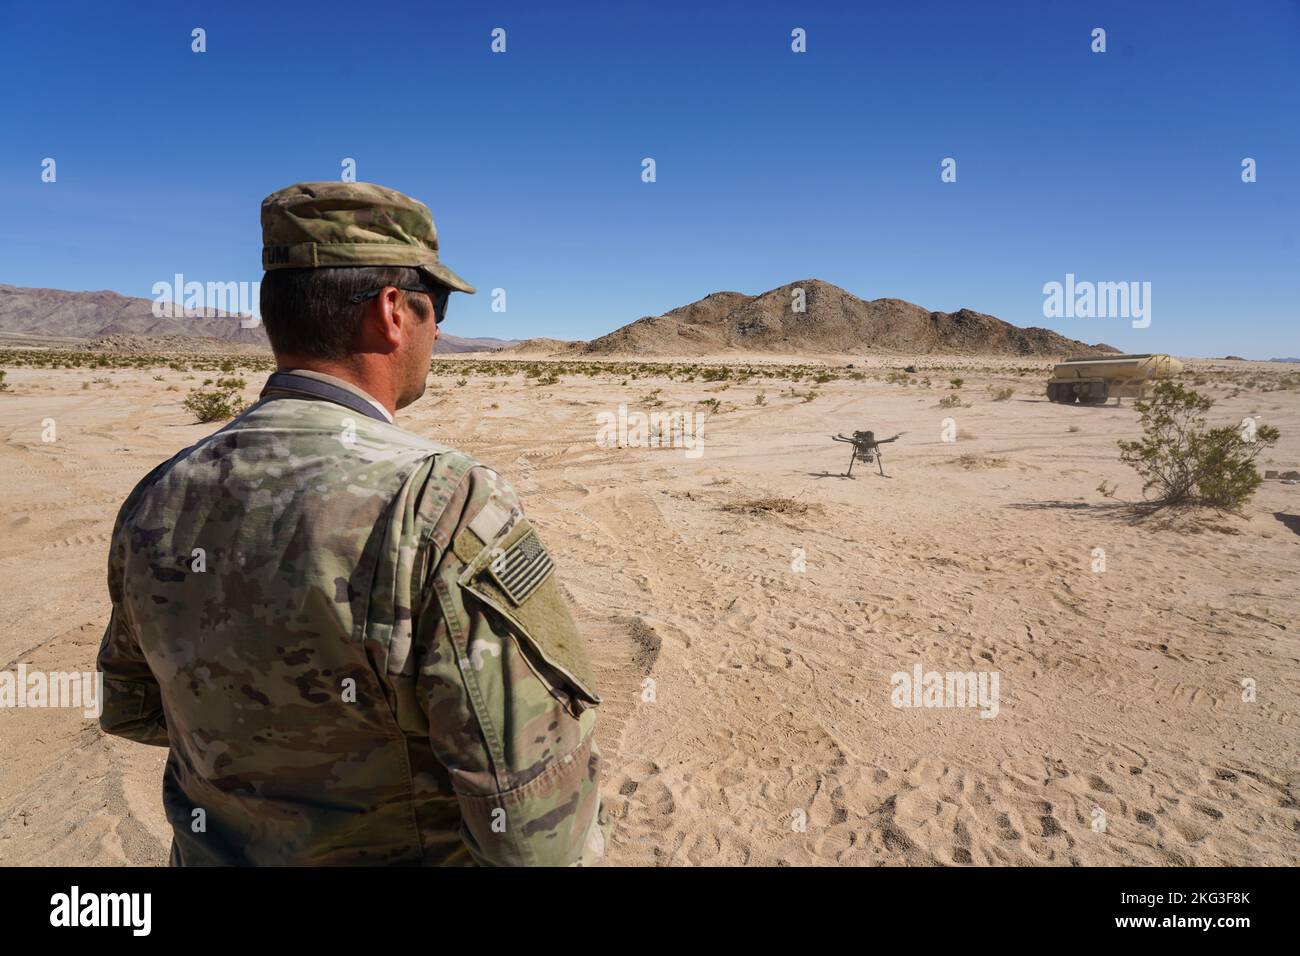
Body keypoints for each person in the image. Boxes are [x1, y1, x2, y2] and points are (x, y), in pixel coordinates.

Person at [96, 181, 604, 866]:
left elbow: (132, 706)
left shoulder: (159, 493)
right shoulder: (444, 499)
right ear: (393, 312)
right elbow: (536, 827)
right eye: (438, 307)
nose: (439, 331)